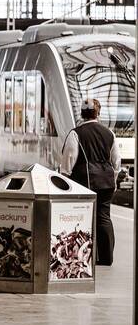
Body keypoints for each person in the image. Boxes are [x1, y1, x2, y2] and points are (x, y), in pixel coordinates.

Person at [59, 98, 122, 266]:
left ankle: (85, 256)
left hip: (84, 183)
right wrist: (112, 180)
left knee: (82, 219)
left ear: (82, 113)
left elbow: (68, 161)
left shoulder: (76, 133)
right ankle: (107, 257)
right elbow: (116, 162)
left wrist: (65, 181)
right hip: (106, 183)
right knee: (103, 218)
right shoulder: (110, 134)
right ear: (98, 113)